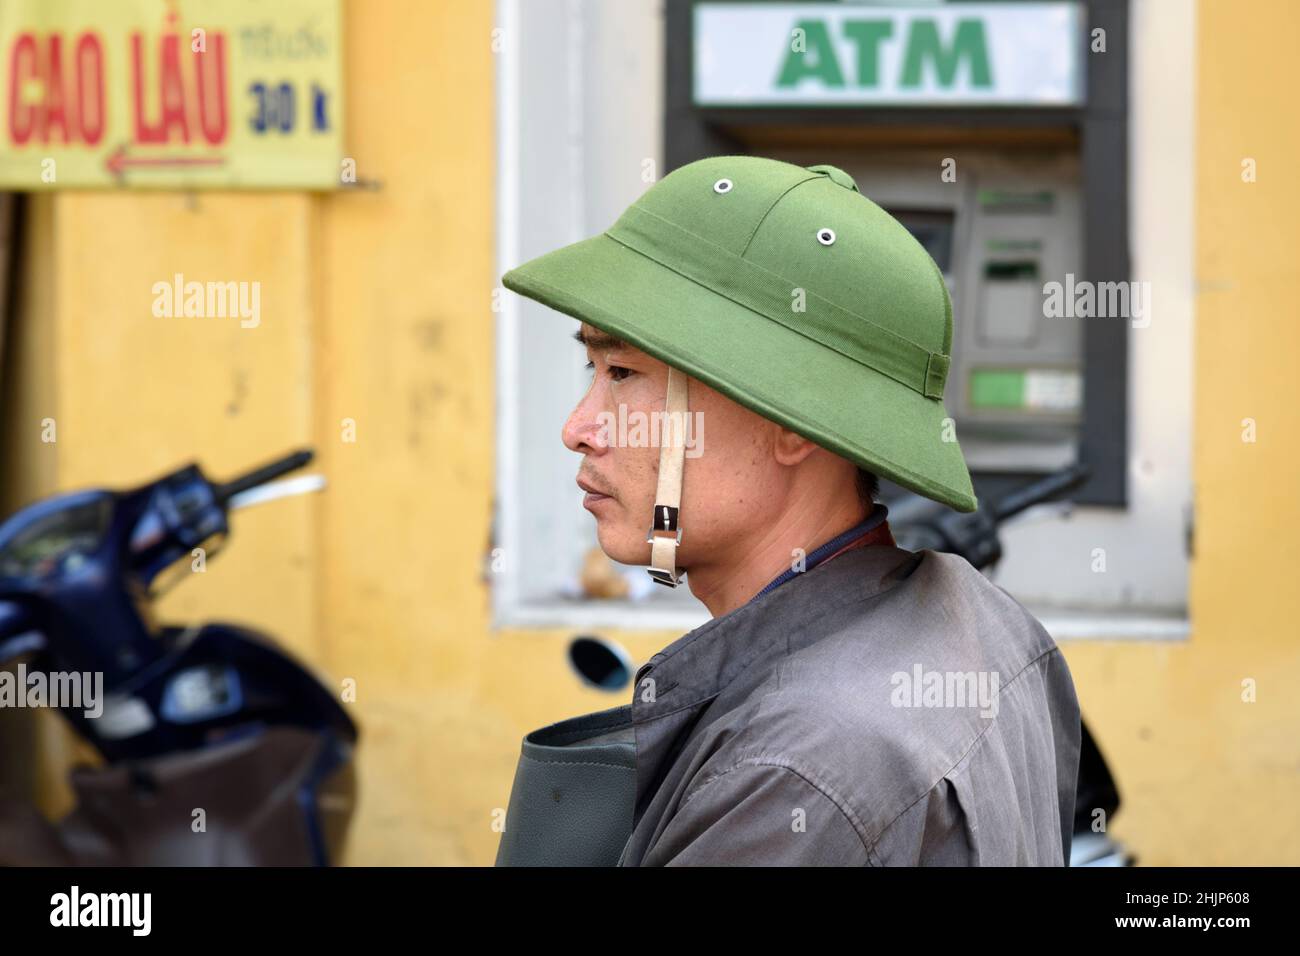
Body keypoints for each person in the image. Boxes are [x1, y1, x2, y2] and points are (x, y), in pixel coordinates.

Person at [501, 155, 1081, 866]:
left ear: (795, 423)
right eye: (591, 370)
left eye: (623, 373)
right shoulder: (994, 628)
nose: (580, 428)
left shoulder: (791, 778)